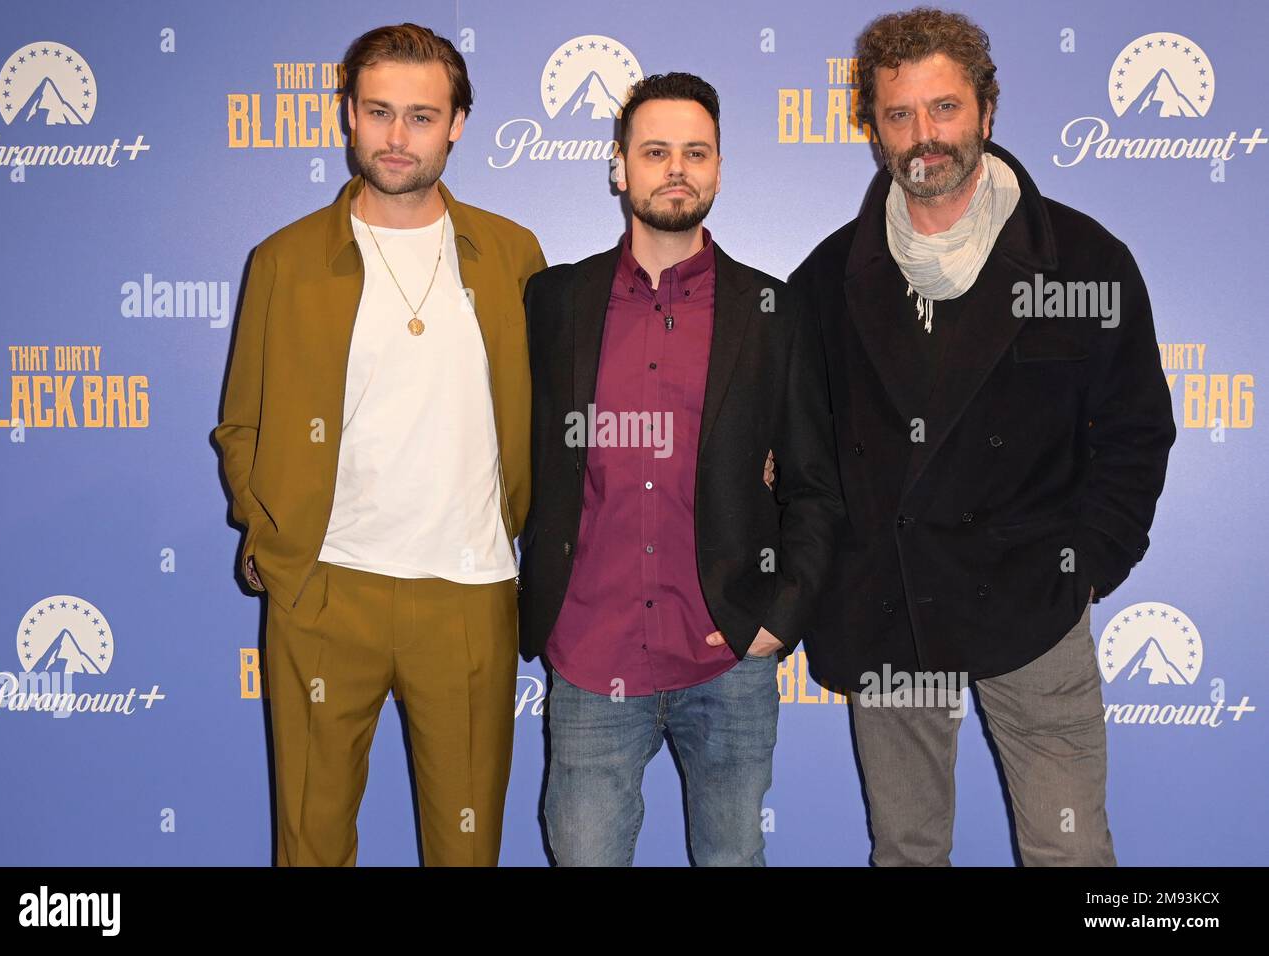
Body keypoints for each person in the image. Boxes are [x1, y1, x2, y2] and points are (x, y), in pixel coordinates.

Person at [789, 8, 1175, 865]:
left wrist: (1084, 566)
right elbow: (801, 459)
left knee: (1070, 853)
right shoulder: (825, 280)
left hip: (1033, 606)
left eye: (945, 108)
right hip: (888, 609)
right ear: (872, 129)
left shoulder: (1082, 260)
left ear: (987, 112)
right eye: (899, 114)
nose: (924, 136)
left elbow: (1137, 431)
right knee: (907, 851)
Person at [213, 23, 546, 866]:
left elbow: (551, 415)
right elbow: (241, 423)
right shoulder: (284, 259)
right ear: (348, 116)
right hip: (325, 591)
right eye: (379, 112)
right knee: (311, 844)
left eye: (423, 117)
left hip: (470, 593)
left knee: (466, 850)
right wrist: (275, 539)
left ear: (459, 123)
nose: (398, 138)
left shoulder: (512, 256)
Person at [519, 73, 843, 866]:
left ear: (720, 168)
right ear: (619, 167)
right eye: (655, 150)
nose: (676, 168)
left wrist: (778, 617)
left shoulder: (775, 312)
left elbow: (816, 481)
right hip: (592, 657)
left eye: (695, 152)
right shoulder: (552, 303)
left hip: (726, 659)